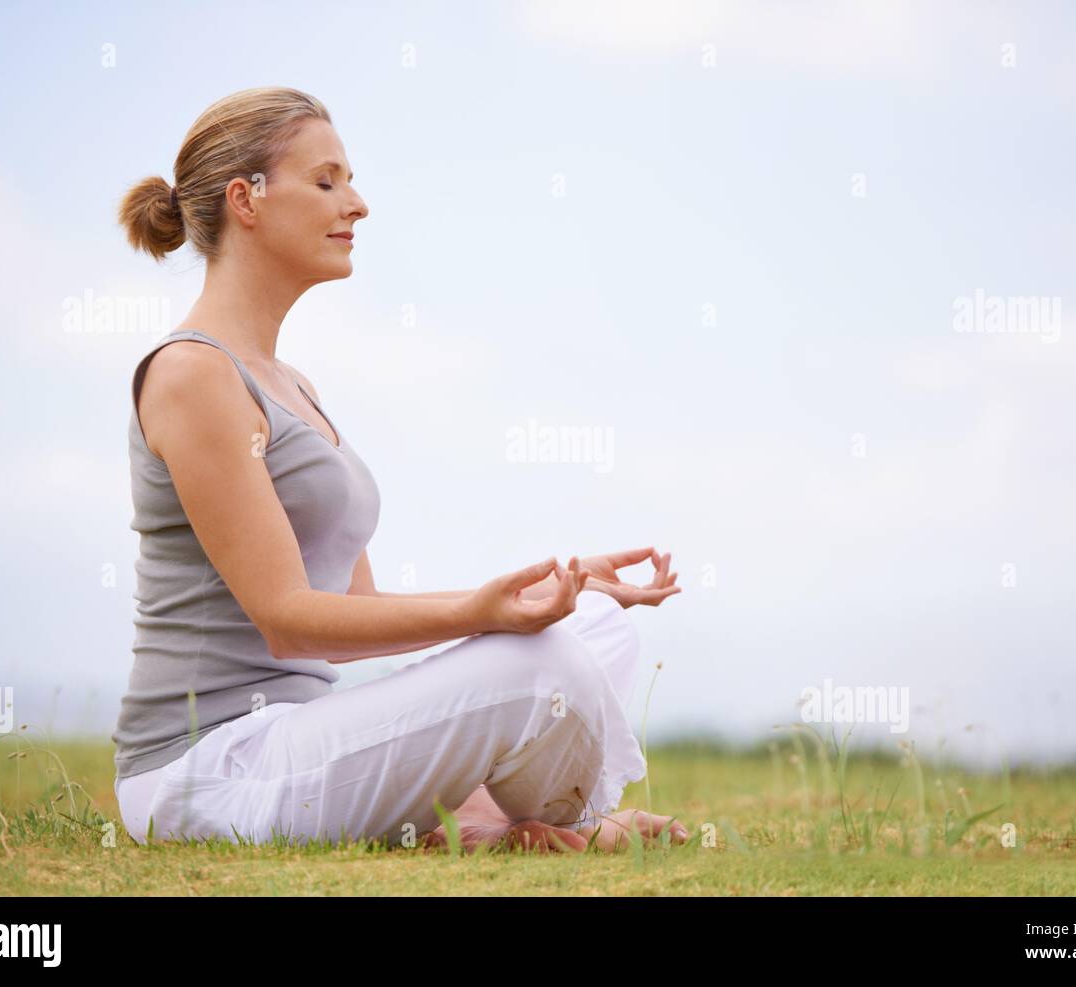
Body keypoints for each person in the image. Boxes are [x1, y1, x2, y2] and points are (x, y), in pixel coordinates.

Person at [111, 86, 685, 854]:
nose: (358, 204)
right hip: (209, 768)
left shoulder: (293, 385)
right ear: (246, 199)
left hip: (297, 737)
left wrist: (539, 589)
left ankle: (490, 821)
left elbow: (354, 623)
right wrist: (487, 612)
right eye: (327, 181)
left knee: (594, 625)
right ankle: (554, 827)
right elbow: (287, 620)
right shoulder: (192, 374)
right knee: (544, 664)